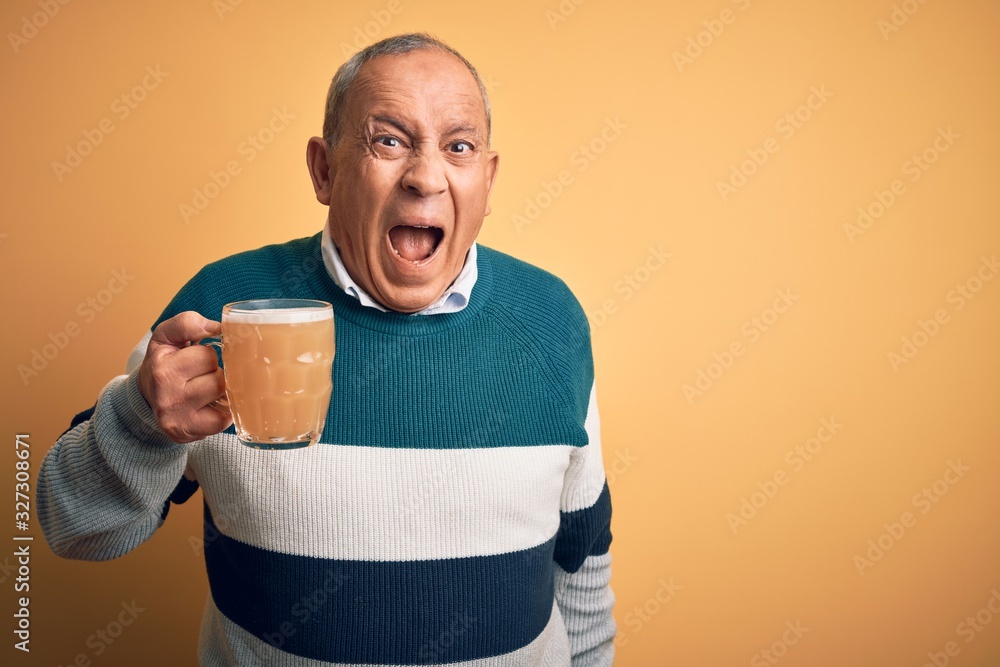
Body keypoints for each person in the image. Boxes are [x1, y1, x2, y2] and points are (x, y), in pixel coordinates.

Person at [38, 33, 615, 666]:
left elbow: (582, 567)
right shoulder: (222, 308)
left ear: (487, 177)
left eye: (459, 147)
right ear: (324, 169)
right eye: (389, 140)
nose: (426, 177)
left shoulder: (550, 320)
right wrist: (141, 421)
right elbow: (74, 529)